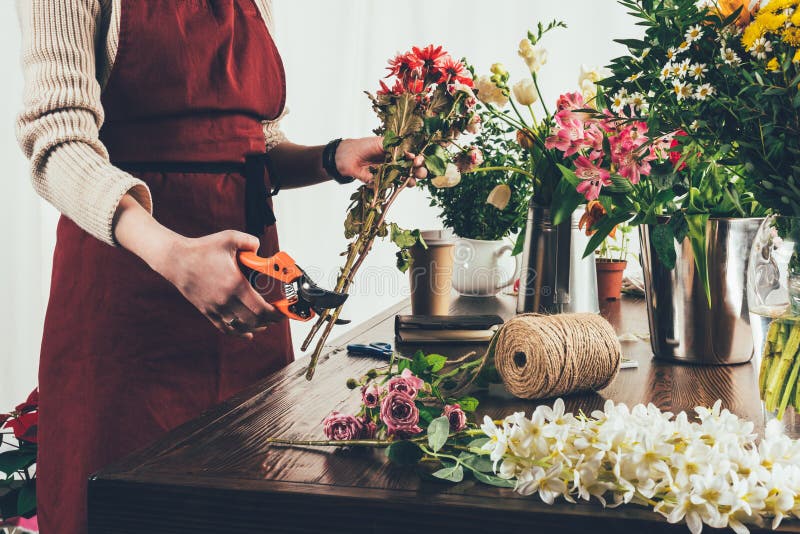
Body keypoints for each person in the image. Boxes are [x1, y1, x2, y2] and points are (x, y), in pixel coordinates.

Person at [15, 1, 427, 532]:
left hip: (247, 306)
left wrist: (331, 157)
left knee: (249, 500)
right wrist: (172, 254)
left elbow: (252, 146)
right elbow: (56, 143)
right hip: (125, 303)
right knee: (124, 508)